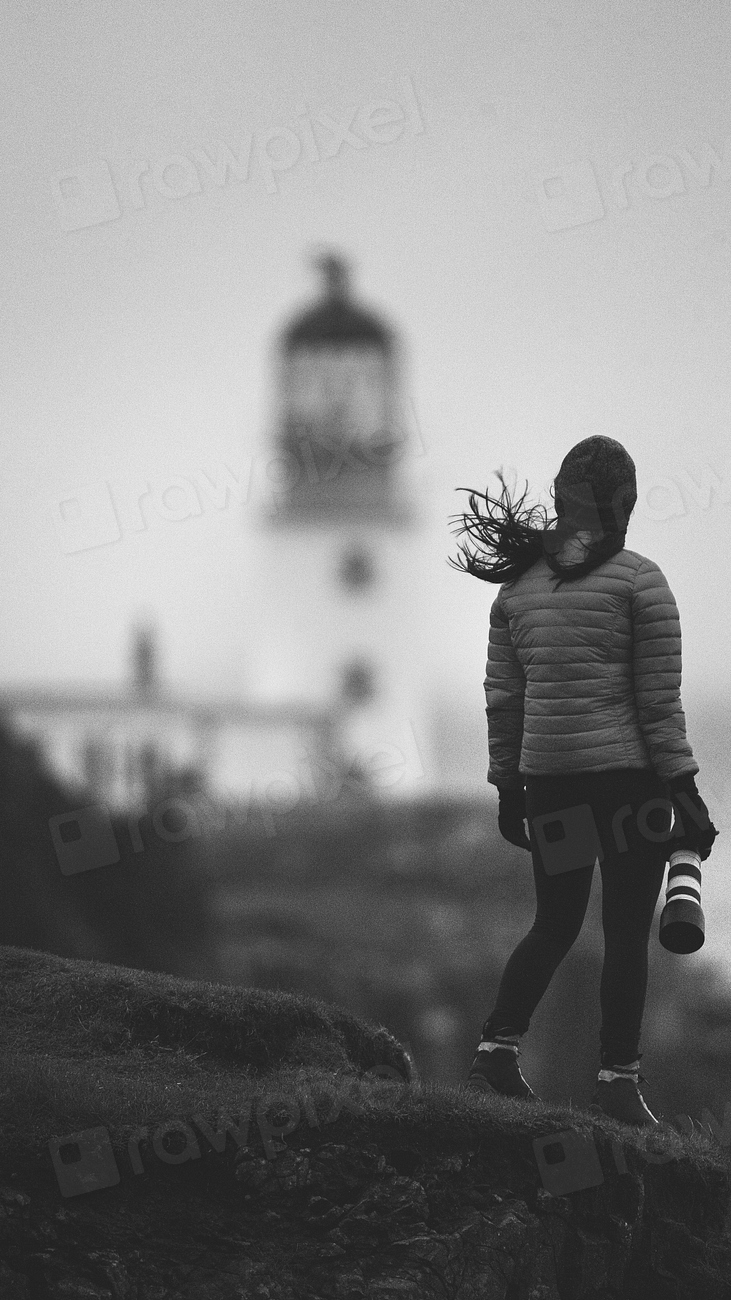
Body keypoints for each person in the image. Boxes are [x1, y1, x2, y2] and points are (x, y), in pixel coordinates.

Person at [449, 436, 718, 1127]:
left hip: (552, 788)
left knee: (554, 923)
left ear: (559, 499)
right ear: (624, 502)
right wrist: (685, 789)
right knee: (626, 933)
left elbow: (504, 700)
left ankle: (494, 1055)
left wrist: (507, 788)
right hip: (627, 791)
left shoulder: (517, 590)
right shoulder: (640, 582)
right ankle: (616, 1084)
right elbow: (657, 704)